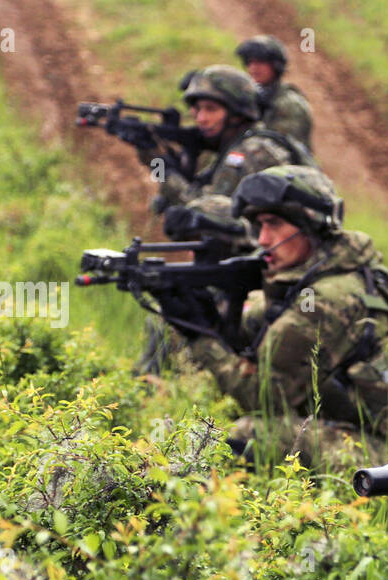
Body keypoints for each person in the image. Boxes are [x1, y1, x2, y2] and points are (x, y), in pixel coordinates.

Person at [184, 165, 388, 466]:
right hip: (387, 444)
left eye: (274, 224)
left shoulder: (327, 299)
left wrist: (200, 338)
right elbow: (257, 328)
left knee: (249, 433)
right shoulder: (333, 275)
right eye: (259, 226)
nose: (264, 239)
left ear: (311, 225)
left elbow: (262, 398)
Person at [134, 65, 314, 374]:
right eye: (197, 109)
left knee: (179, 321)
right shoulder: (240, 148)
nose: (200, 118)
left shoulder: (247, 154)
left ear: (237, 111)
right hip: (251, 268)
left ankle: (154, 396)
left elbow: (210, 214)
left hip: (267, 275)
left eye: (210, 109)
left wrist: (162, 168)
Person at [236, 35, 315, 152]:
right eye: (249, 62)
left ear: (276, 65)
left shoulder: (290, 104)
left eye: (260, 62)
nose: (253, 68)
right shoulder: (249, 97)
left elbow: (281, 148)